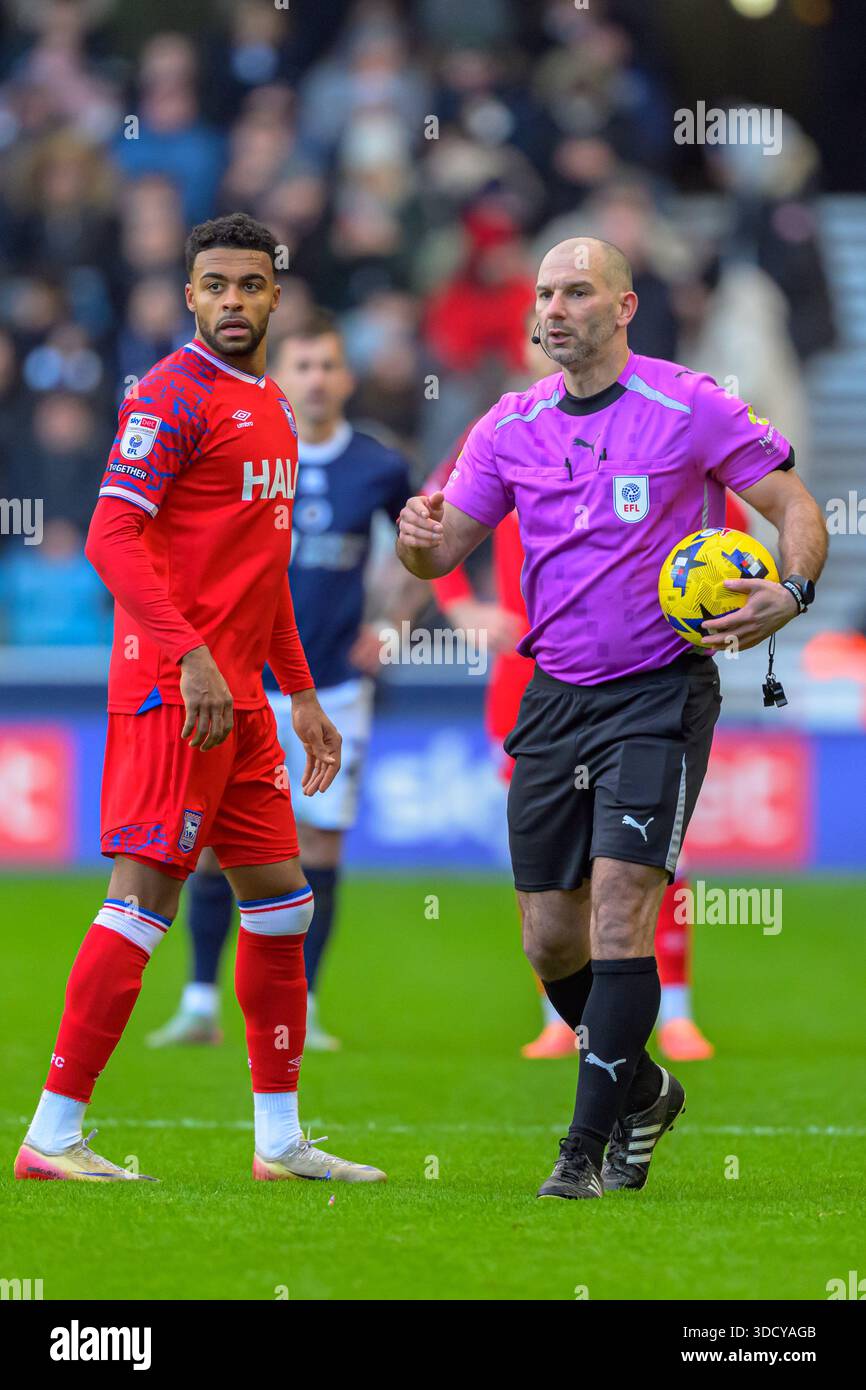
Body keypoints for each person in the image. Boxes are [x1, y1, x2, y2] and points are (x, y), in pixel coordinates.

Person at [396, 236, 826, 1200]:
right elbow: (442, 553)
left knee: (625, 912)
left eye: (577, 291)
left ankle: (581, 1155)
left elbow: (795, 503)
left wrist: (790, 591)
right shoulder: (507, 425)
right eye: (544, 292)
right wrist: (420, 542)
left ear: (623, 307)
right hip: (553, 695)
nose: (553, 308)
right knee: (551, 937)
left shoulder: (691, 405)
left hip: (658, 690)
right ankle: (643, 1089)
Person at [14, 213, 385, 1185]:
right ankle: (52, 1134)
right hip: (173, 695)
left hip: (245, 701)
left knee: (281, 905)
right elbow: (108, 535)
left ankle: (277, 1141)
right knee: (142, 902)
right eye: (214, 284)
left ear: (275, 294)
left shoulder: (268, 403)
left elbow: (261, 583)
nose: (232, 300)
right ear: (188, 295)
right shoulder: (169, 397)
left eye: (249, 285)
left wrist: (300, 695)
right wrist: (188, 658)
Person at [147, 308, 417, 1052]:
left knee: (317, 844)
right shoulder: (248, 450)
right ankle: (201, 1000)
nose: (317, 379)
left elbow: (426, 545)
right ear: (282, 376)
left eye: (329, 366)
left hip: (331, 685)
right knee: (203, 843)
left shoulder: (378, 465)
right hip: (233, 678)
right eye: (303, 367)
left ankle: (304, 1006)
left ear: (347, 377)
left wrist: (393, 624)